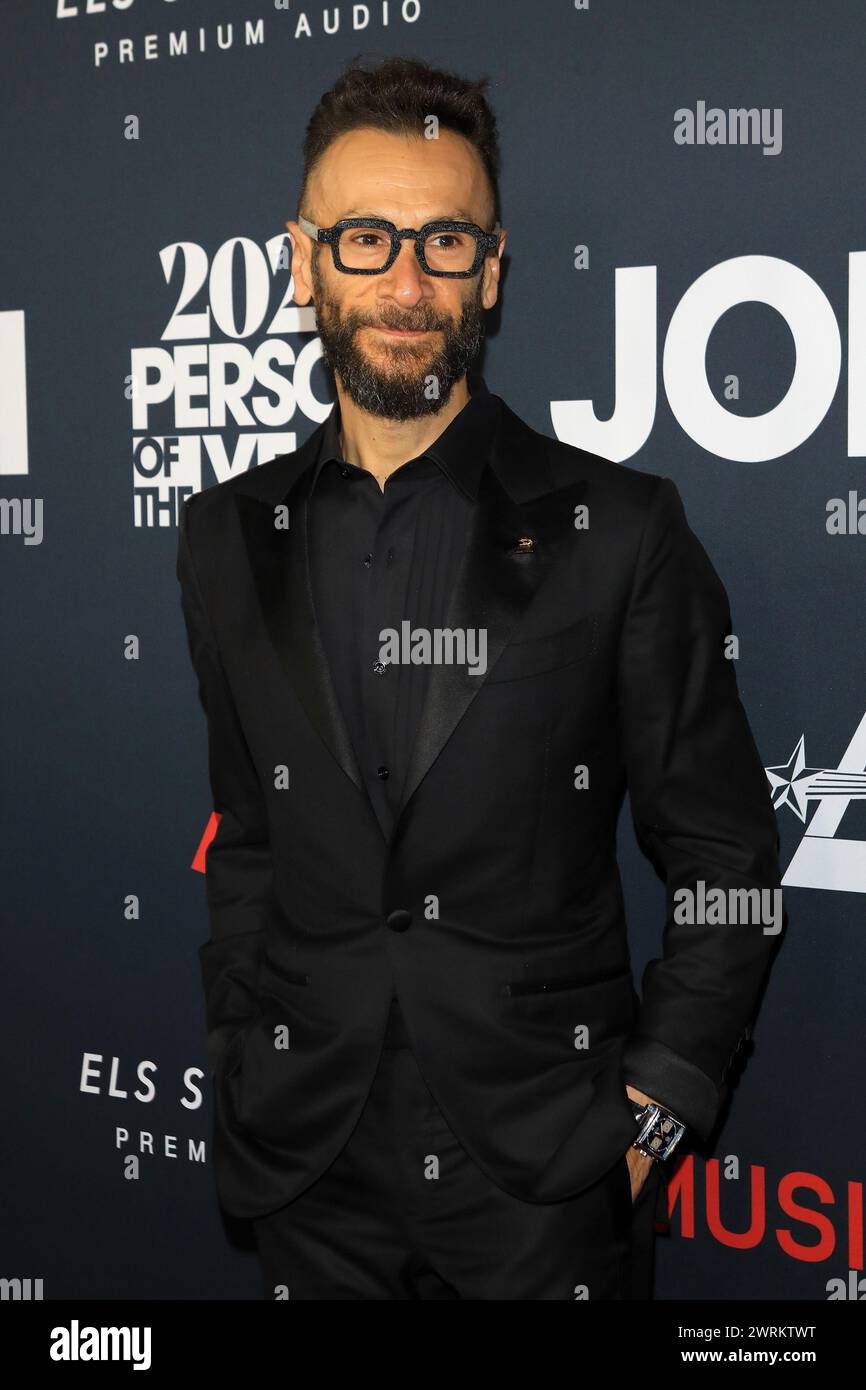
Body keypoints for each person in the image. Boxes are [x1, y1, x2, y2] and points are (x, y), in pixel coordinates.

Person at [176, 53, 785, 1300]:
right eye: (365, 238)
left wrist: (651, 1117)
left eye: (444, 240)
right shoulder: (227, 537)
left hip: (546, 1186)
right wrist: (241, 1048)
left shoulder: (619, 531)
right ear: (302, 264)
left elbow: (725, 865)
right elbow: (247, 838)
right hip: (307, 1167)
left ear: (490, 270)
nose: (406, 281)